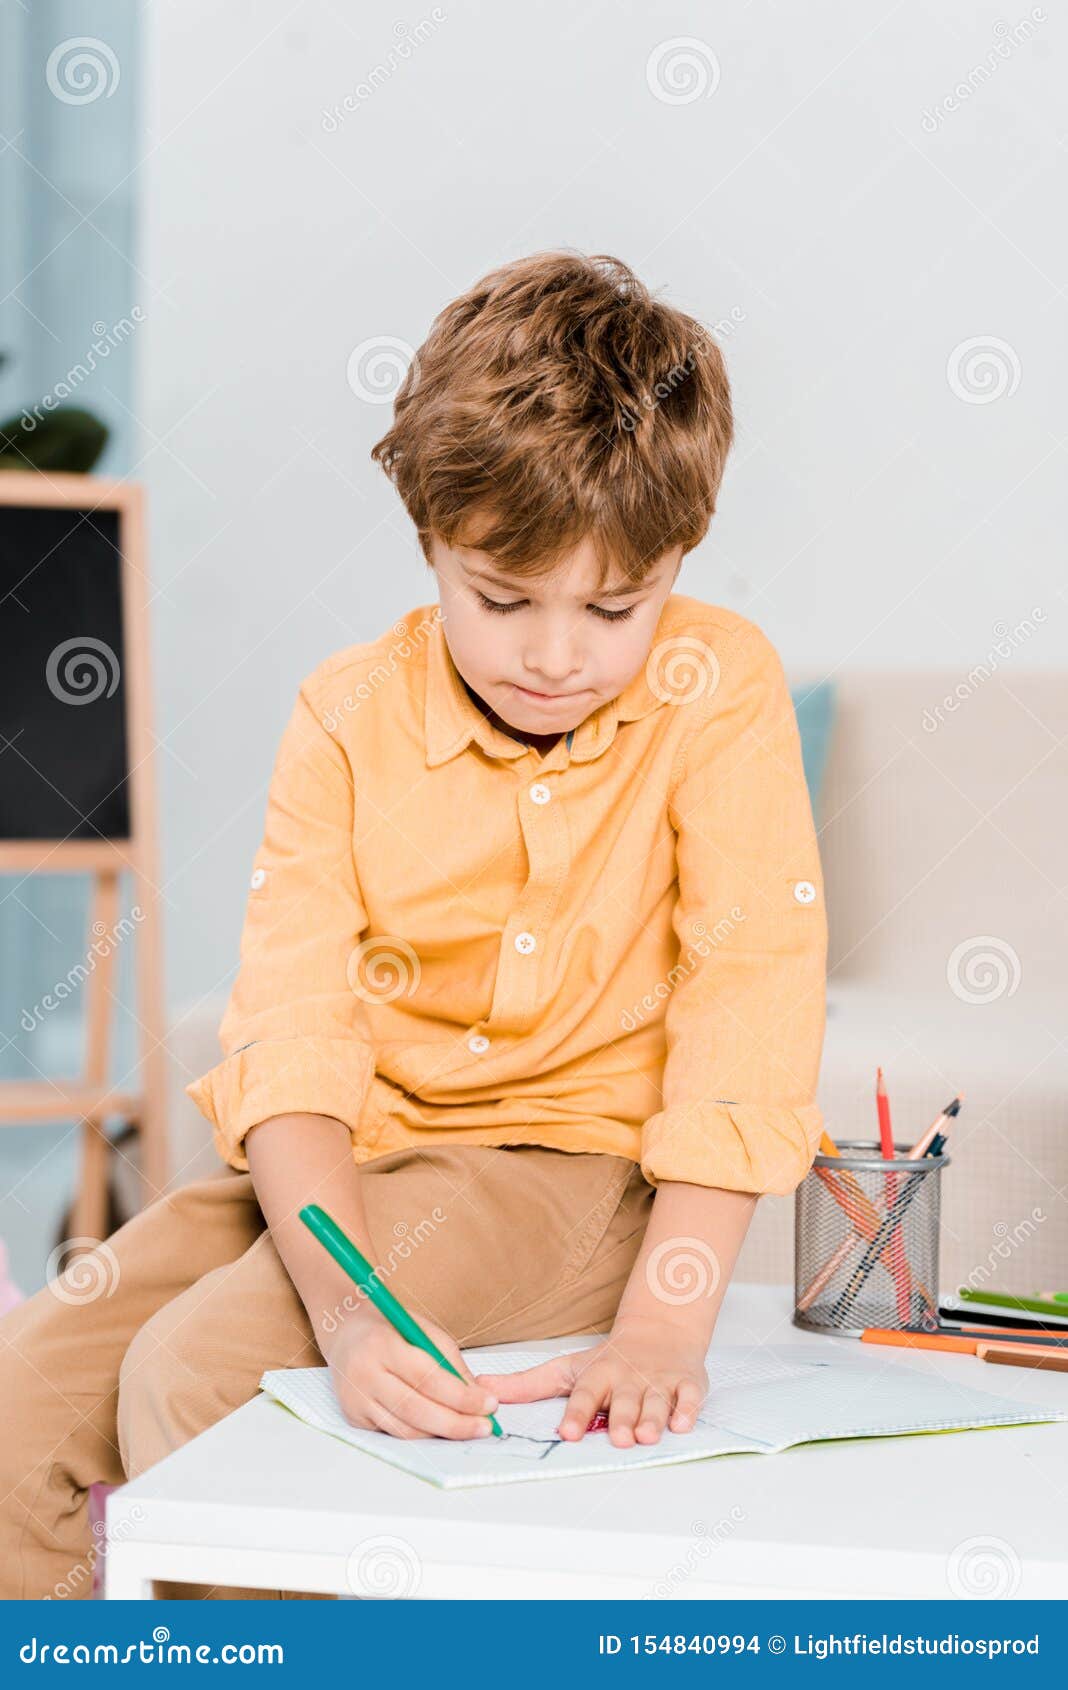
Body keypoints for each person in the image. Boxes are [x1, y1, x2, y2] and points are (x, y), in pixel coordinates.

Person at [0, 250, 827, 1600]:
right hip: (368, 1163)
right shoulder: (345, 709)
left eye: (615, 607)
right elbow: (298, 1029)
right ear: (431, 540)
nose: (558, 655)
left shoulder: (715, 686)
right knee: (25, 1395)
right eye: (504, 599)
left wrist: (664, 1328)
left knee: (195, 1372)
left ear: (677, 561)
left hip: (580, 1174)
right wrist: (344, 1303)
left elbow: (751, 1003)